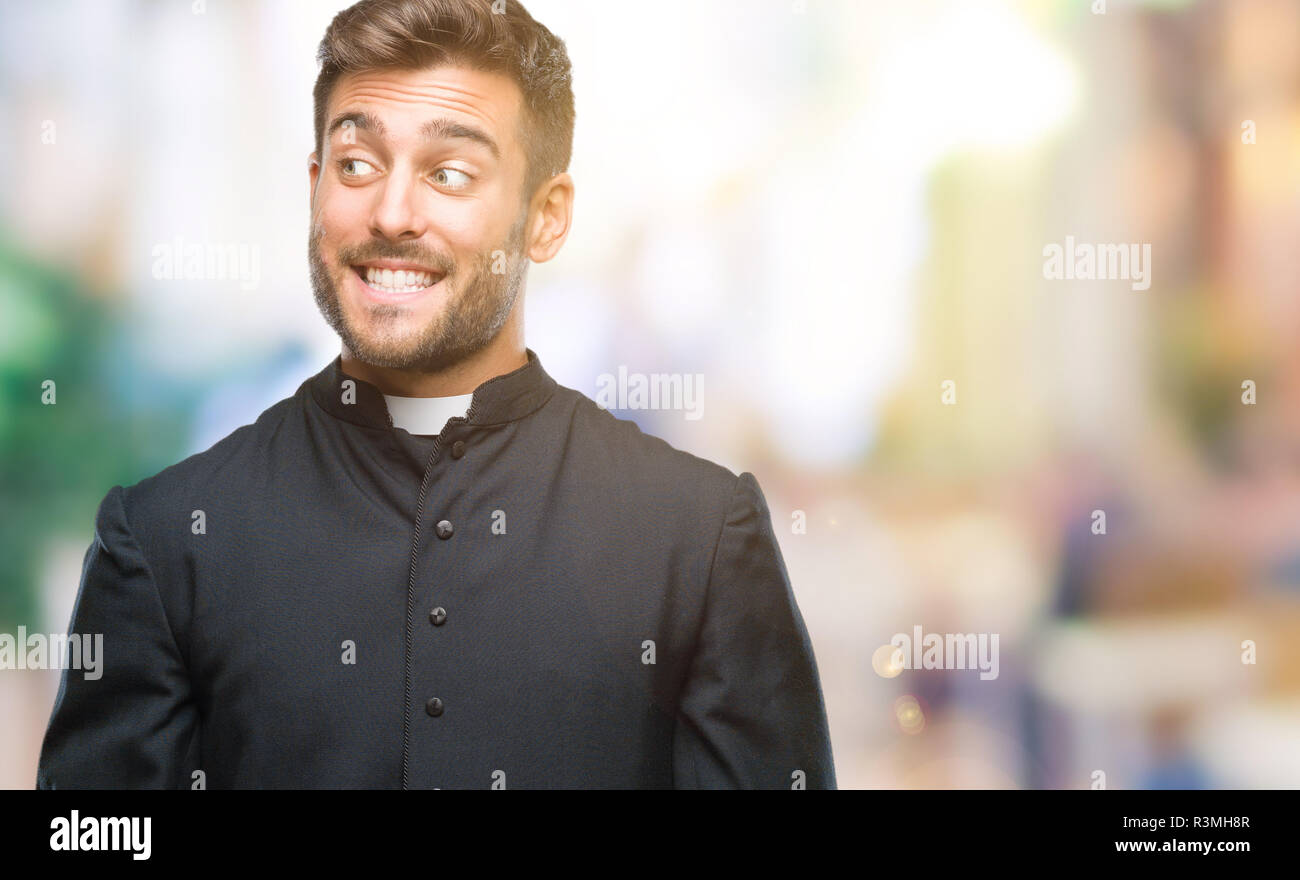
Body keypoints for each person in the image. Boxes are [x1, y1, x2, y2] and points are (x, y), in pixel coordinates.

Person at [36, 0, 835, 789]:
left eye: (449, 174)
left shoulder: (698, 541)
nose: (391, 212)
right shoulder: (164, 543)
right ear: (315, 188)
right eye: (356, 165)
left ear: (546, 218)